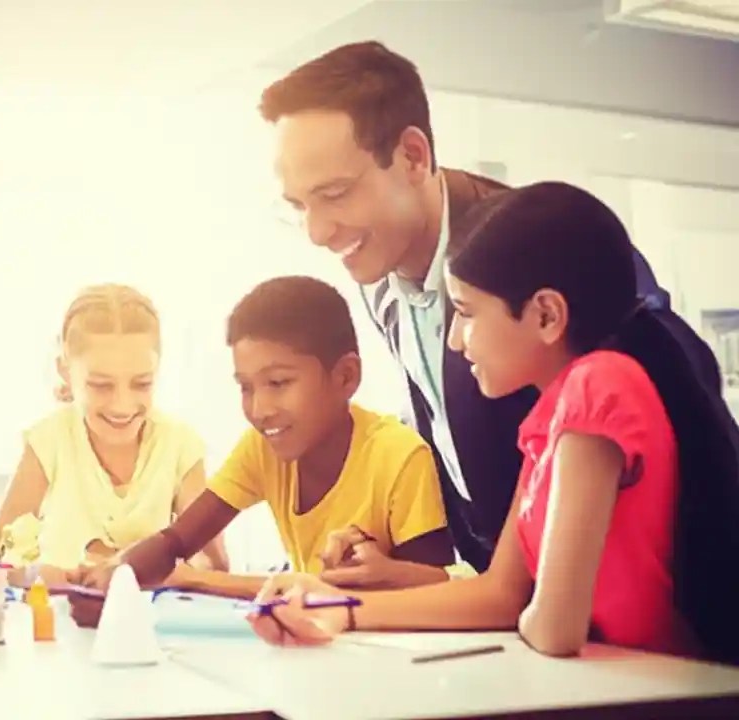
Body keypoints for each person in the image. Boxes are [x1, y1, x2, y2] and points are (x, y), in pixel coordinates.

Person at [258, 40, 718, 580]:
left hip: (634, 604)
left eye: (334, 194)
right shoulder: (377, 268)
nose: (316, 232)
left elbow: (678, 385)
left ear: (412, 156)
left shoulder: (541, 243)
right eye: (299, 206)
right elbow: (464, 445)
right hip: (510, 601)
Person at [246, 183, 739, 664]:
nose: (456, 341)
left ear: (546, 314)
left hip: (664, 692)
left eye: (465, 312)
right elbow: (501, 594)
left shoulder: (596, 386)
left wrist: (527, 615)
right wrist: (336, 608)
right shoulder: (550, 419)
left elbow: (552, 628)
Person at [67, 277, 453, 620]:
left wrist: (198, 580)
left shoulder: (398, 456)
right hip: (318, 648)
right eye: (246, 387)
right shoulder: (263, 448)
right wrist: (116, 575)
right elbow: (178, 540)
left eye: (279, 382)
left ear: (345, 377)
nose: (259, 409)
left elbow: (440, 591)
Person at [0, 284, 227, 585]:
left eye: (142, 384)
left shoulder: (180, 445)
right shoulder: (50, 440)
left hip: (148, 623)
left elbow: (215, 564)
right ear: (66, 372)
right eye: (101, 385)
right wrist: (36, 574)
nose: (122, 406)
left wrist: (171, 570)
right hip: (61, 622)